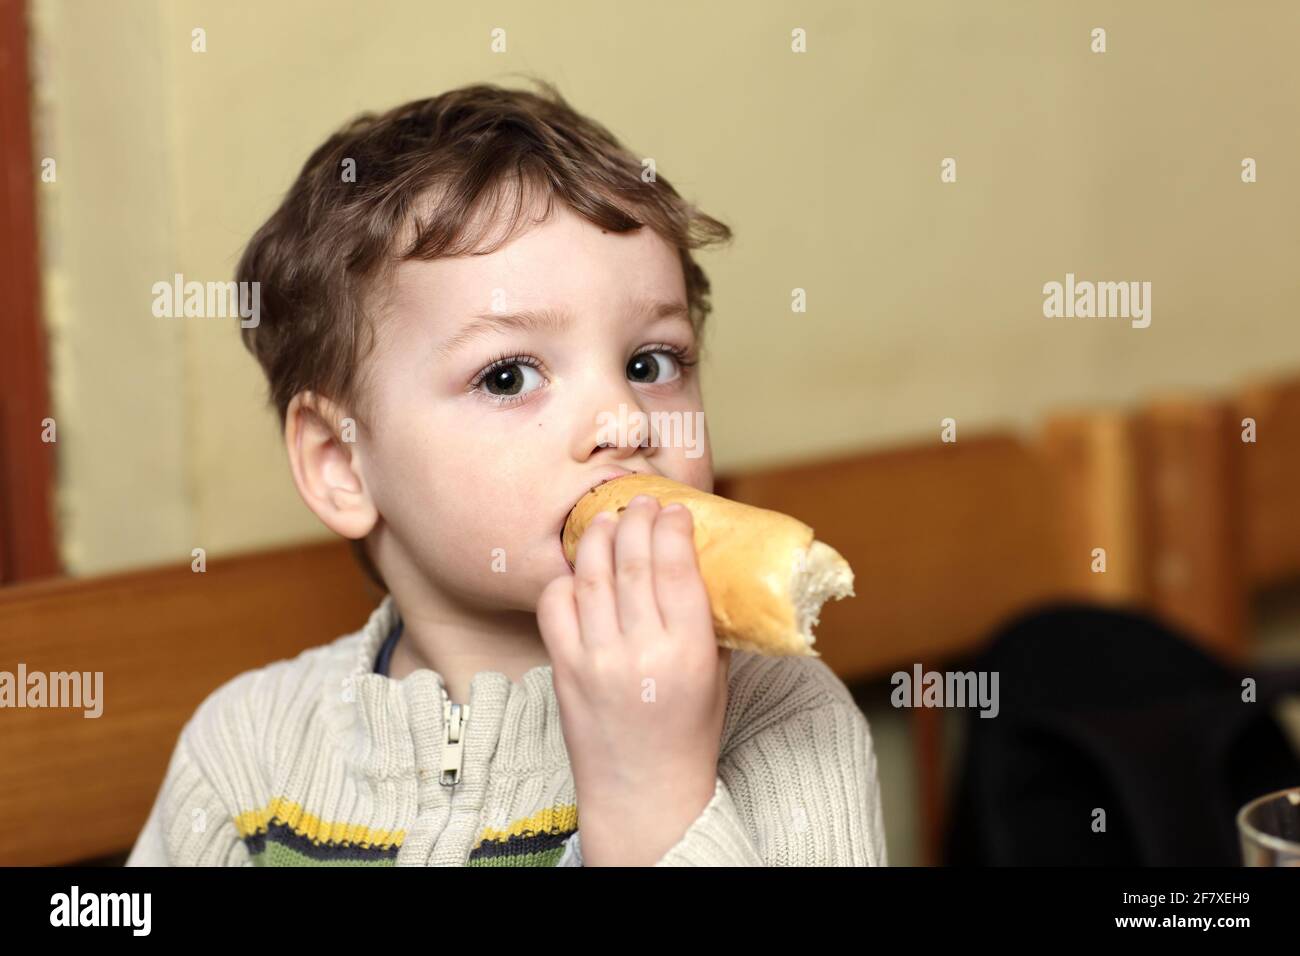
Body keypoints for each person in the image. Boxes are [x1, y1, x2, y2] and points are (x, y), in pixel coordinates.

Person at [125, 78, 887, 867]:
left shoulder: (785, 719)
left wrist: (652, 796)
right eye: (508, 377)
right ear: (341, 462)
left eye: (651, 361)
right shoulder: (242, 754)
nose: (624, 420)